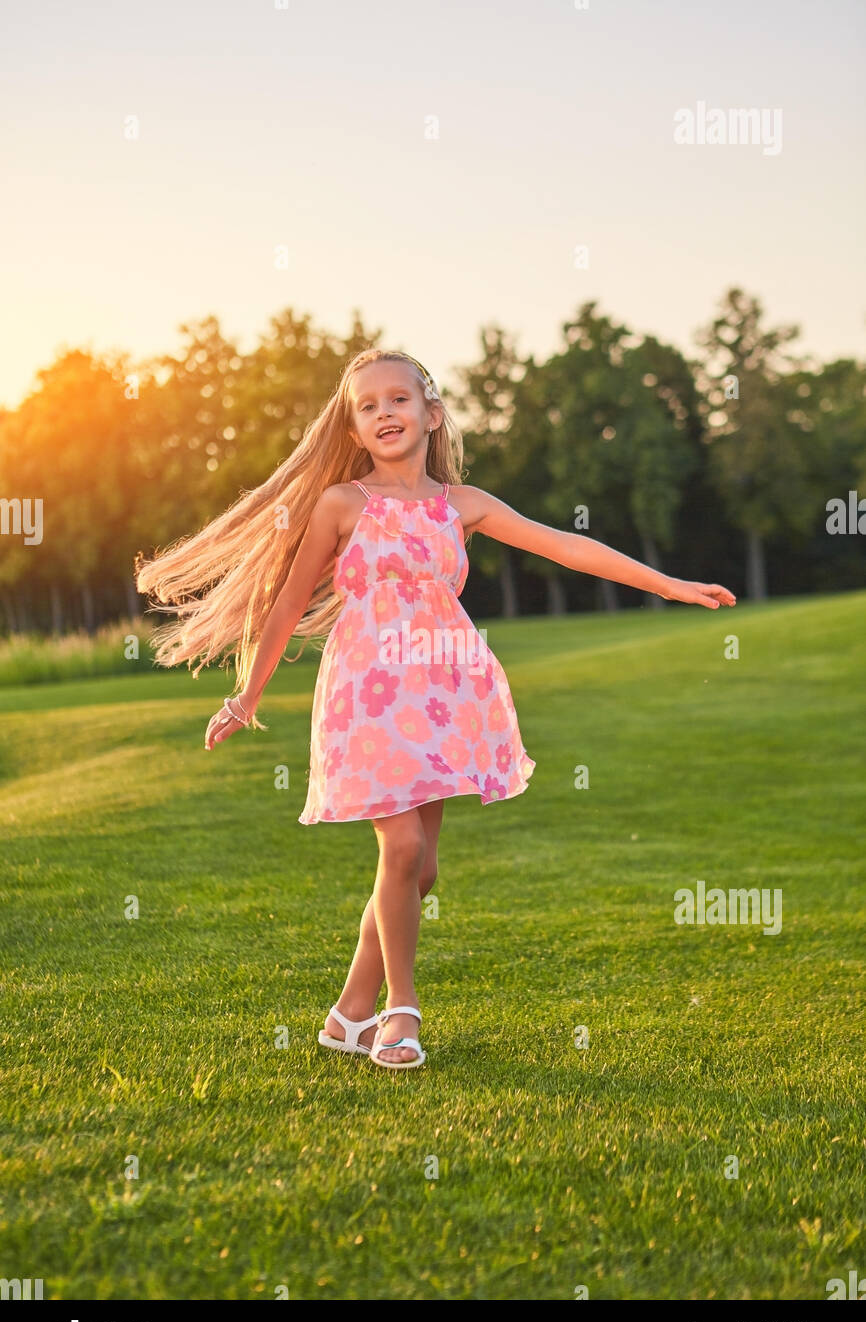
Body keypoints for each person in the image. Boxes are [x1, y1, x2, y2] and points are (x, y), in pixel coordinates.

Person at [135, 348, 735, 1070]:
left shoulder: (462, 504)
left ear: (432, 414)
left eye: (398, 400)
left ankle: (349, 1012)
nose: (385, 413)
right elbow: (290, 600)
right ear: (353, 428)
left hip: (447, 690)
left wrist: (668, 584)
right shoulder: (340, 504)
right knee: (404, 849)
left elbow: (565, 546)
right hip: (371, 693)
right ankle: (400, 1014)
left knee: (423, 872)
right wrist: (246, 696)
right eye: (368, 406)